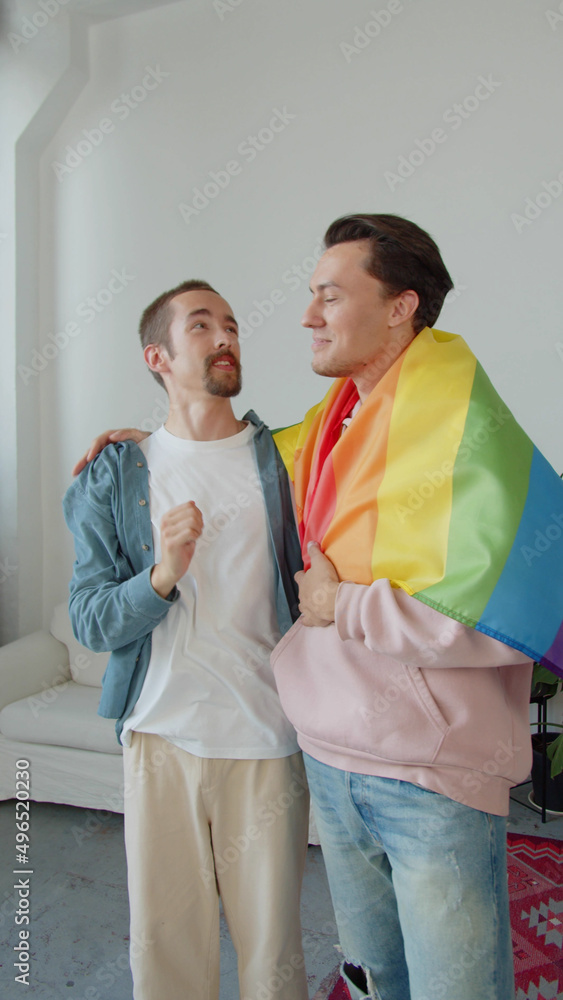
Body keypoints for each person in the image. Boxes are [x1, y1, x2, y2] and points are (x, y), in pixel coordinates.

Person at [75, 217, 563, 1000]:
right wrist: (152, 445)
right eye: (310, 296)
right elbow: (223, 452)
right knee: (372, 979)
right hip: (331, 763)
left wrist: (345, 604)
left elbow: (503, 607)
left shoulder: (464, 429)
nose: (305, 316)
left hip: (425, 775)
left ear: (401, 307)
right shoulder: (322, 435)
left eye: (329, 297)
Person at [63, 279, 309, 1000]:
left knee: (274, 962)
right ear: (158, 357)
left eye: (230, 323)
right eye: (199, 325)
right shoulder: (113, 474)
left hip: (264, 741)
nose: (224, 336)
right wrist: (161, 577)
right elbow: (89, 618)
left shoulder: (287, 461)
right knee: (166, 957)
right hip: (158, 741)